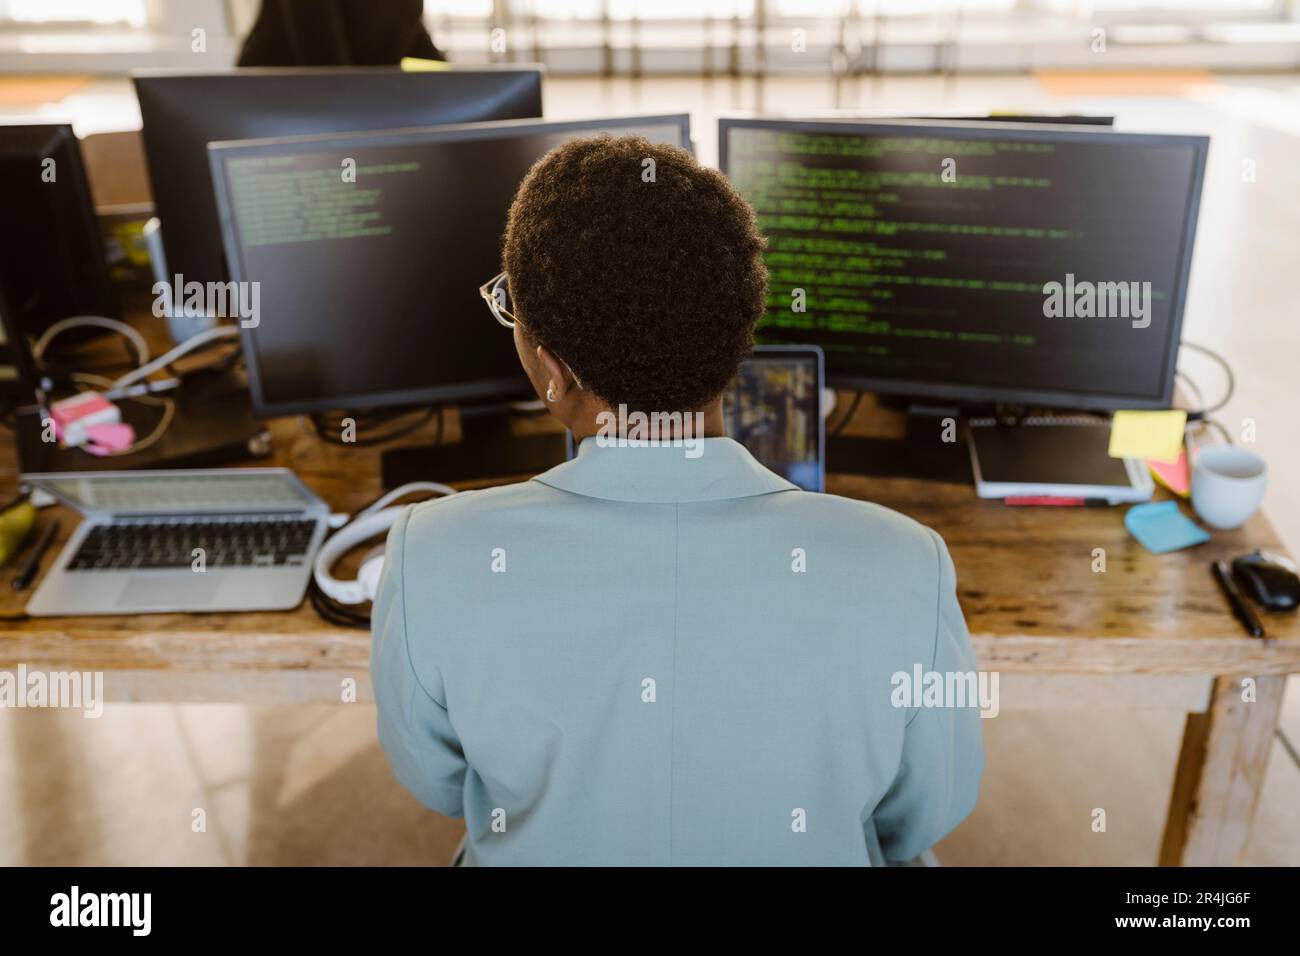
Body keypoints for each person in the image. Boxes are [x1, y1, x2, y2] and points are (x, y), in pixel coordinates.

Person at [371, 135, 984, 866]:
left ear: (550, 369)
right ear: (737, 343)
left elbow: (440, 783)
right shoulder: (908, 564)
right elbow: (925, 813)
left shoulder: (429, 553)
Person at [237, 0, 443, 67]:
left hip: (358, 98)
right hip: (282, 98)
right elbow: (321, 54)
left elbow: (409, 32)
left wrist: (457, 86)